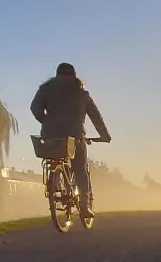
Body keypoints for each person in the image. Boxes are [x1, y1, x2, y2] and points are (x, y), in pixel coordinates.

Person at [30, 62, 111, 219]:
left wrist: (46, 121)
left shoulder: (45, 89)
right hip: (74, 135)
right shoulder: (82, 94)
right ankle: (85, 206)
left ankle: (55, 184)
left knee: (55, 157)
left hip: (50, 134)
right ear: (74, 76)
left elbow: (35, 108)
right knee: (80, 169)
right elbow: (96, 116)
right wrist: (104, 135)